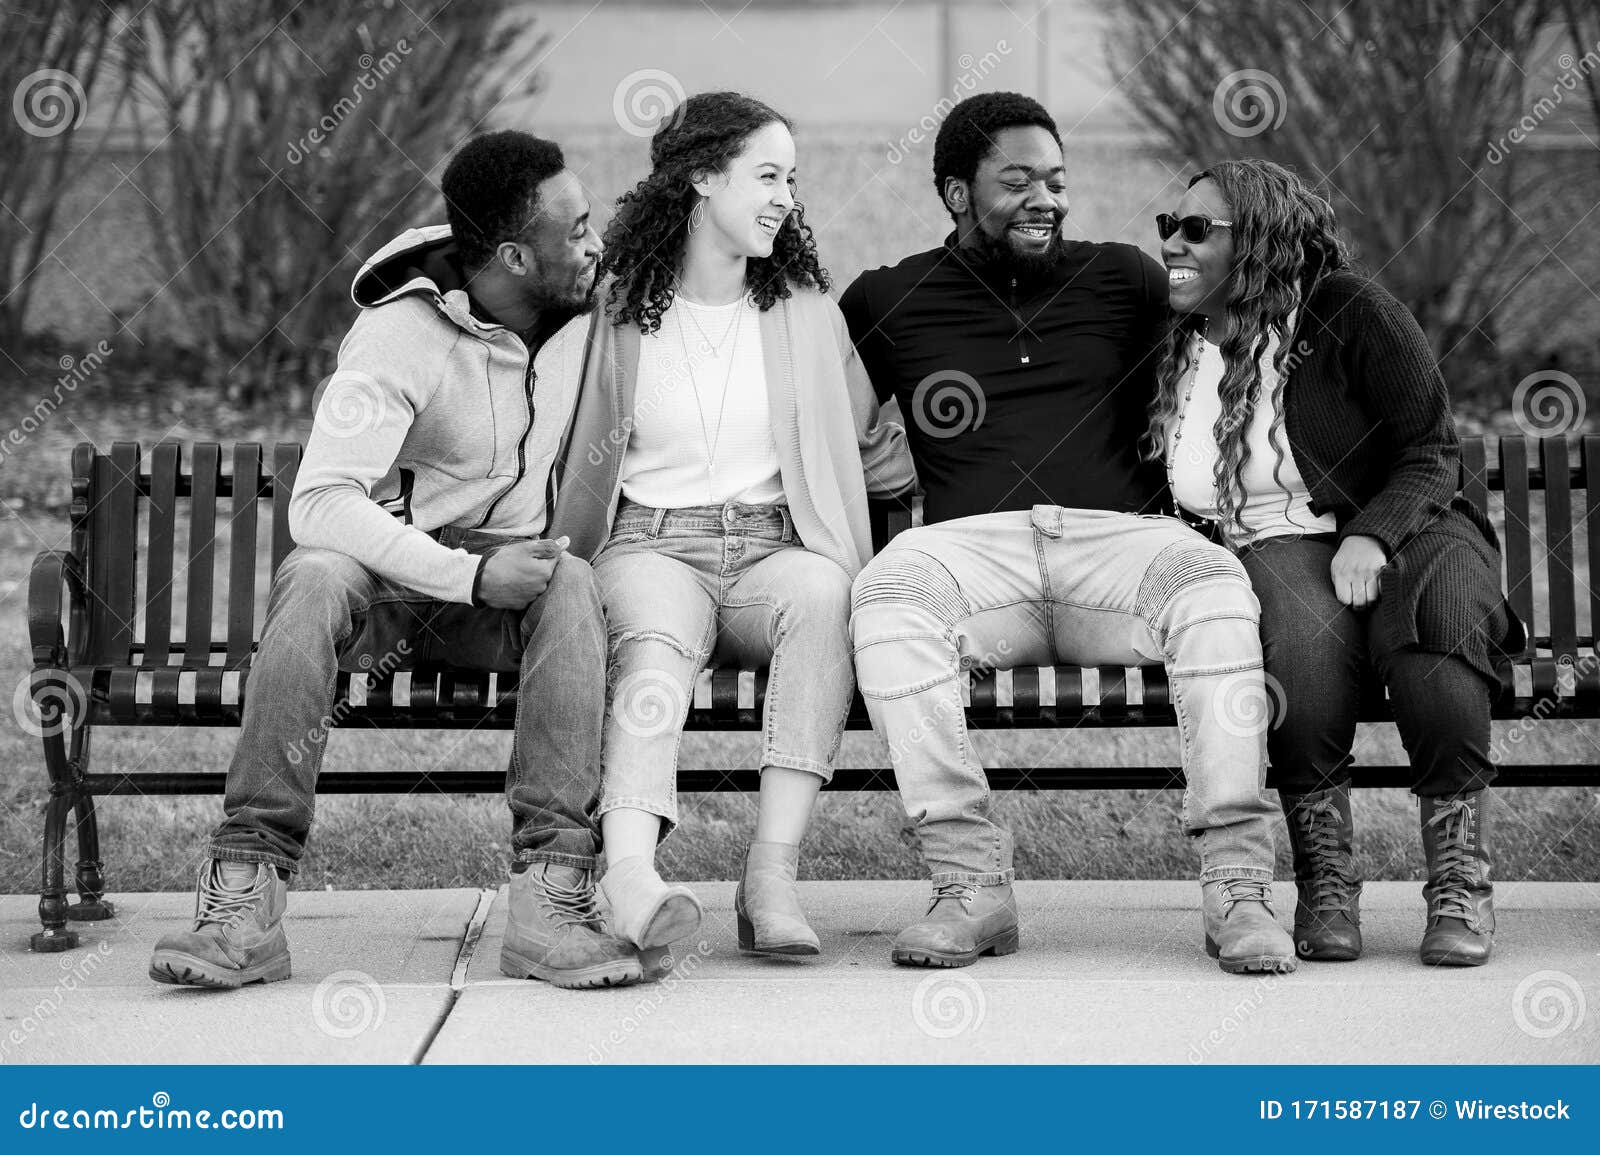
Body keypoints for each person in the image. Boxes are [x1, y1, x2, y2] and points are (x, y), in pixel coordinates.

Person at [147, 131, 647, 991]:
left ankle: (550, 894)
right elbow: (320, 501)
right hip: (397, 580)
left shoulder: (589, 313)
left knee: (568, 579)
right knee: (313, 571)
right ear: (514, 254)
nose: (595, 243)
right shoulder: (398, 333)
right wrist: (465, 574)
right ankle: (245, 891)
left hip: (503, 585)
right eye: (577, 229)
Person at [840, 92, 1295, 975]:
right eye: (1016, 181)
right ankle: (970, 885)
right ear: (955, 192)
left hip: (1115, 546)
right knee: (889, 593)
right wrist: (877, 461)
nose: (1045, 197)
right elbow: (832, 433)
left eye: (1056, 179)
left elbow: (1241, 349)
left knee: (1209, 588)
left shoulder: (1123, 277)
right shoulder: (888, 297)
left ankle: (1238, 886)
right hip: (973, 559)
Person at [542, 91, 914, 958]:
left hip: (770, 547)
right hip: (646, 542)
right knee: (654, 645)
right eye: (768, 175)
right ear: (704, 177)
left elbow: (866, 444)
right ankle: (631, 875)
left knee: (828, 594)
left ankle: (770, 877)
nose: (787, 196)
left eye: (793, 179)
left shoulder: (806, 314)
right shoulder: (617, 309)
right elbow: (548, 425)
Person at [1151, 159, 1521, 966]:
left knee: (1437, 638)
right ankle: (1326, 880)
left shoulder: (1348, 310)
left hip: (1413, 523)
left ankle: (1459, 884)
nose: (1173, 245)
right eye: (1168, 228)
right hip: (1280, 542)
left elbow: (1430, 450)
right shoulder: (1178, 335)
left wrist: (1371, 535)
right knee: (1303, 663)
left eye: (1196, 230)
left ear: (1258, 243)